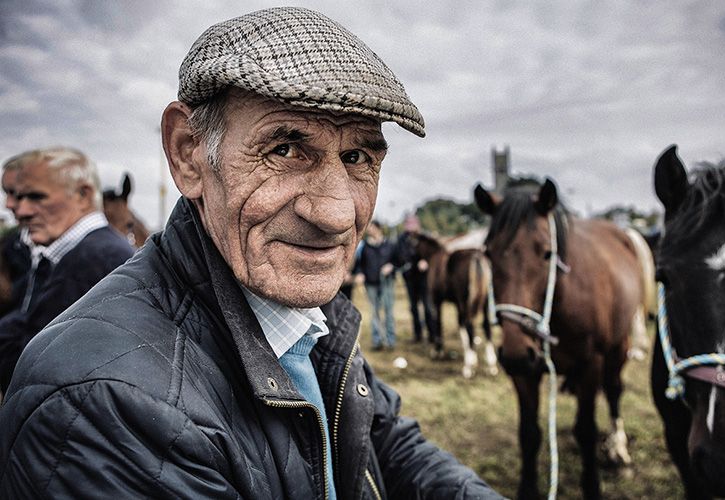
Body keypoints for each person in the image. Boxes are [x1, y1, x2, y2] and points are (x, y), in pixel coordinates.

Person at [0, 8, 502, 499]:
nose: (336, 214)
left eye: (357, 157)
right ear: (188, 154)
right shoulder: (102, 403)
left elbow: (382, 441)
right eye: (285, 149)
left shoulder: (299, 311)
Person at [0, 147, 134, 394]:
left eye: (37, 197)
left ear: (83, 195)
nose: (21, 210)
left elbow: (35, 370)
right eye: (19, 197)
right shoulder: (82, 253)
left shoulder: (94, 259)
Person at [355, 220, 401, 350]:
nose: (370, 231)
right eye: (369, 229)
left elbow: (398, 261)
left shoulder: (390, 245)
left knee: (388, 312)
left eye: (372, 228)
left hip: (387, 283)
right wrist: (360, 273)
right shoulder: (365, 246)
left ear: (379, 229)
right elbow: (360, 264)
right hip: (370, 283)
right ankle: (377, 341)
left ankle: (390, 340)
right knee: (374, 313)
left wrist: (391, 266)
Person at [0, 155, 33, 315]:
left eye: (17, 193)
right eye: (7, 193)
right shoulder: (10, 244)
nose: (8, 204)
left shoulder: (85, 252)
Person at [396, 213, 435, 343]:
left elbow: (433, 254)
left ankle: (432, 335)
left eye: (413, 224)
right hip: (410, 278)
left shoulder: (425, 238)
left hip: (423, 278)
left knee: (428, 306)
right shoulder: (402, 239)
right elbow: (400, 255)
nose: (411, 227)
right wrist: (407, 264)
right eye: (408, 224)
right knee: (413, 307)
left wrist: (426, 261)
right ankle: (418, 335)